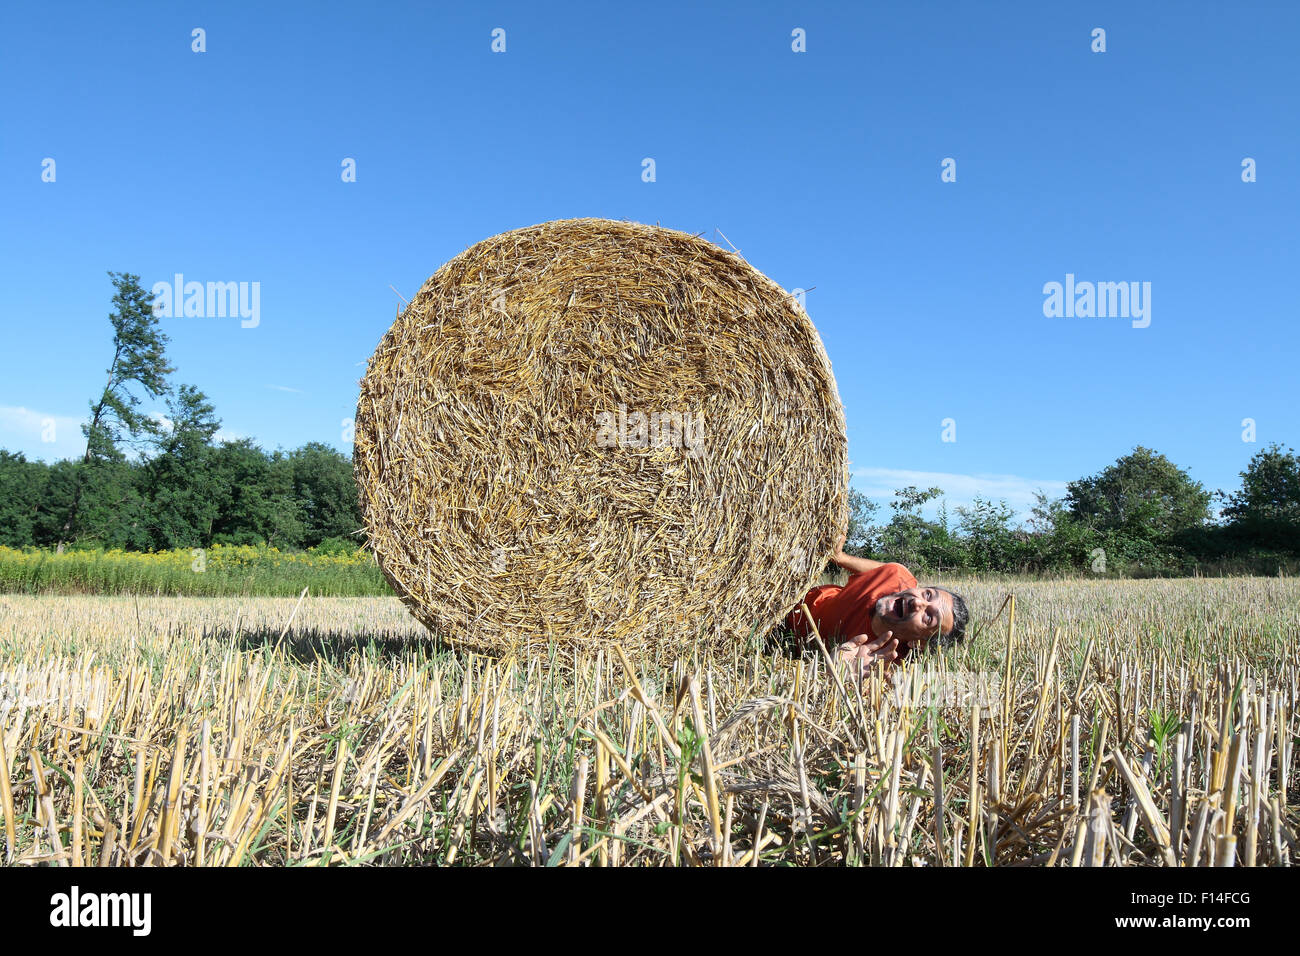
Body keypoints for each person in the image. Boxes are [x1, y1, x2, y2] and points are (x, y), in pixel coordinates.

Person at [784, 539, 969, 672]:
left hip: (783, 632)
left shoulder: (879, 661)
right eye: (927, 594)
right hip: (791, 595)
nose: (918, 602)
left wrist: (837, 671)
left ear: (919, 643)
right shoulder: (896, 575)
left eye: (929, 617)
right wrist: (837, 553)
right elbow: (840, 557)